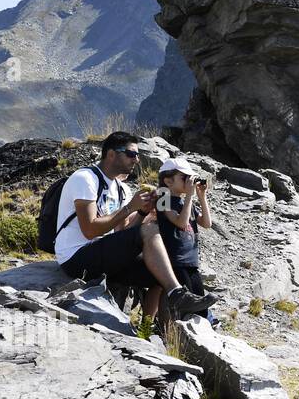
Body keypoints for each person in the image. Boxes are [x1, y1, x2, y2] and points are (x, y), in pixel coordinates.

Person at [55, 132, 214, 318]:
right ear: (112, 154)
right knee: (151, 231)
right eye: (131, 154)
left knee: (164, 268)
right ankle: (177, 294)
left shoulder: (121, 188)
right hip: (76, 257)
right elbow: (90, 230)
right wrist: (130, 207)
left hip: (105, 255)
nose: (137, 159)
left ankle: (164, 333)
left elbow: (123, 233)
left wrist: (142, 212)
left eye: (137, 155)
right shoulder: (85, 179)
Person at [137, 156, 214, 338]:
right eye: (184, 178)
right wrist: (189, 196)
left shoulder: (186, 201)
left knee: (197, 303)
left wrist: (201, 197)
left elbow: (207, 223)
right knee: (172, 298)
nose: (189, 182)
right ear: (168, 180)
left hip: (190, 260)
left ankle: (184, 335)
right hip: (174, 259)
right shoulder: (164, 199)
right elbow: (180, 222)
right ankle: (160, 332)